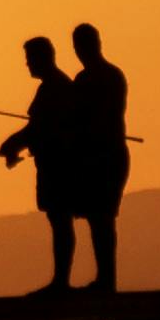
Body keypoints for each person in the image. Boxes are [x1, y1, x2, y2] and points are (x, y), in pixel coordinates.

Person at [0, 32, 102, 294]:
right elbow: (38, 128)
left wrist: (11, 144)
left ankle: (60, 282)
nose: (27, 64)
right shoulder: (55, 86)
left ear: (43, 58)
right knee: (59, 219)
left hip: (60, 167)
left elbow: (38, 128)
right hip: (55, 165)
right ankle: (60, 280)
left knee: (61, 220)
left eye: (30, 58)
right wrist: (14, 144)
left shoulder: (55, 87)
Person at [66, 20, 132, 290]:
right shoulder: (90, 78)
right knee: (96, 218)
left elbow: (97, 116)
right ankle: (105, 277)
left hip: (107, 156)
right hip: (95, 156)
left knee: (103, 217)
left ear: (95, 45)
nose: (80, 51)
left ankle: (107, 279)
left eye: (83, 45)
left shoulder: (109, 76)